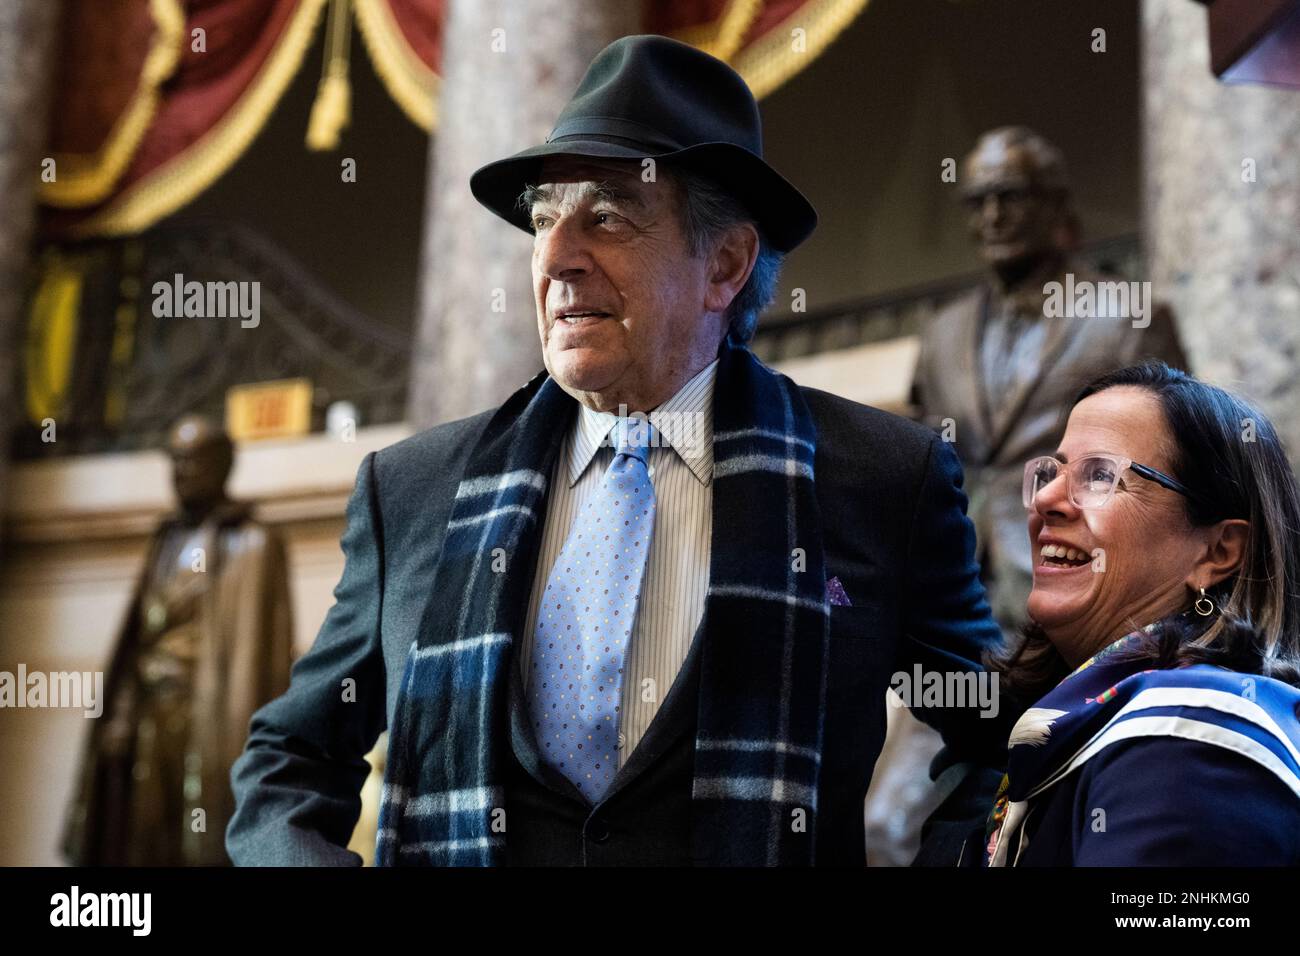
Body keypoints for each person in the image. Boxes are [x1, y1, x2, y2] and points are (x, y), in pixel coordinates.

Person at [228, 34, 1009, 867]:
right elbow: (288, 762)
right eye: (543, 219)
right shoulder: (413, 490)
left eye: (606, 215)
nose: (557, 258)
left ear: (726, 264)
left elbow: (996, 737)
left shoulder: (882, 480)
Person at [981, 362, 1300, 866]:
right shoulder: (1091, 726)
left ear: (1217, 551)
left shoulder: (1195, 732)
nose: (1045, 499)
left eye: (1101, 476)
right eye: (1052, 472)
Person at [911, 127, 1186, 638]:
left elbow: (1172, 467)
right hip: (958, 593)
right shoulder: (941, 333)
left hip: (1084, 591)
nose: (992, 216)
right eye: (978, 200)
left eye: (1010, 196)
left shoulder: (1128, 315)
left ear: (1055, 203)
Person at [63, 415, 293, 865]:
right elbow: (138, 642)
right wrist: (123, 712)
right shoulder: (165, 539)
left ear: (222, 465)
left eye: (192, 460)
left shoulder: (254, 542)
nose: (180, 471)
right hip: (149, 714)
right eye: (175, 460)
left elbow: (262, 657)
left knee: (197, 838)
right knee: (137, 840)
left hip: (207, 715)